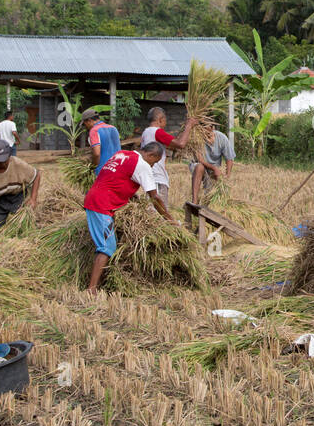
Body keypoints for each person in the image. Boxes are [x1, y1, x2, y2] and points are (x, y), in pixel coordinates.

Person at [82, 141, 178, 292]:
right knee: (108, 247)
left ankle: (98, 284)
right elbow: (154, 197)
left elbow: (116, 178)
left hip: (96, 199)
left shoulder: (122, 154)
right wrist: (170, 220)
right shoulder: (143, 165)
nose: (153, 166)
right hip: (102, 205)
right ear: (151, 155)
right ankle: (91, 289)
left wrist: (131, 196)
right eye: (155, 162)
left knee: (106, 244)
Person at [137, 108, 195, 210]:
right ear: (160, 119)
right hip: (157, 177)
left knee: (152, 208)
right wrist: (189, 126)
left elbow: (173, 145)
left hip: (150, 175)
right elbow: (180, 144)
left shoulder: (146, 132)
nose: (165, 123)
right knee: (159, 210)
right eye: (165, 121)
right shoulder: (157, 132)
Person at [0, 139, 42, 232]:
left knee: (26, 228)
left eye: (3, 161)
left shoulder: (18, 164)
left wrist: (33, 199)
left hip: (18, 197)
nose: (0, 164)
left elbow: (37, 175)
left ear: (9, 157)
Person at [189, 121, 235, 204]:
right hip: (199, 165)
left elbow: (229, 158)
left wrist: (227, 175)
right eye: (204, 133)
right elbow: (200, 159)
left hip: (214, 168)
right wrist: (214, 168)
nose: (206, 135)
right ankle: (194, 201)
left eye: (208, 132)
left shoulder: (221, 138)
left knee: (211, 192)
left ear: (212, 128)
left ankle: (211, 203)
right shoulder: (197, 139)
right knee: (200, 167)